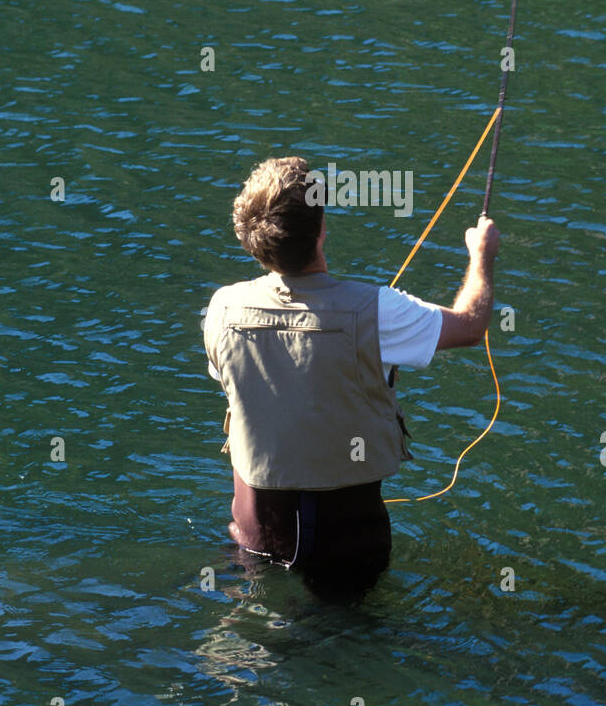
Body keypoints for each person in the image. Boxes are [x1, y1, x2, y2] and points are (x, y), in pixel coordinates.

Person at [203, 156, 499, 595]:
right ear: (321, 229)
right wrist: (482, 257)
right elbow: (471, 324)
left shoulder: (221, 310)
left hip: (258, 534)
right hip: (347, 542)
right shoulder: (378, 311)